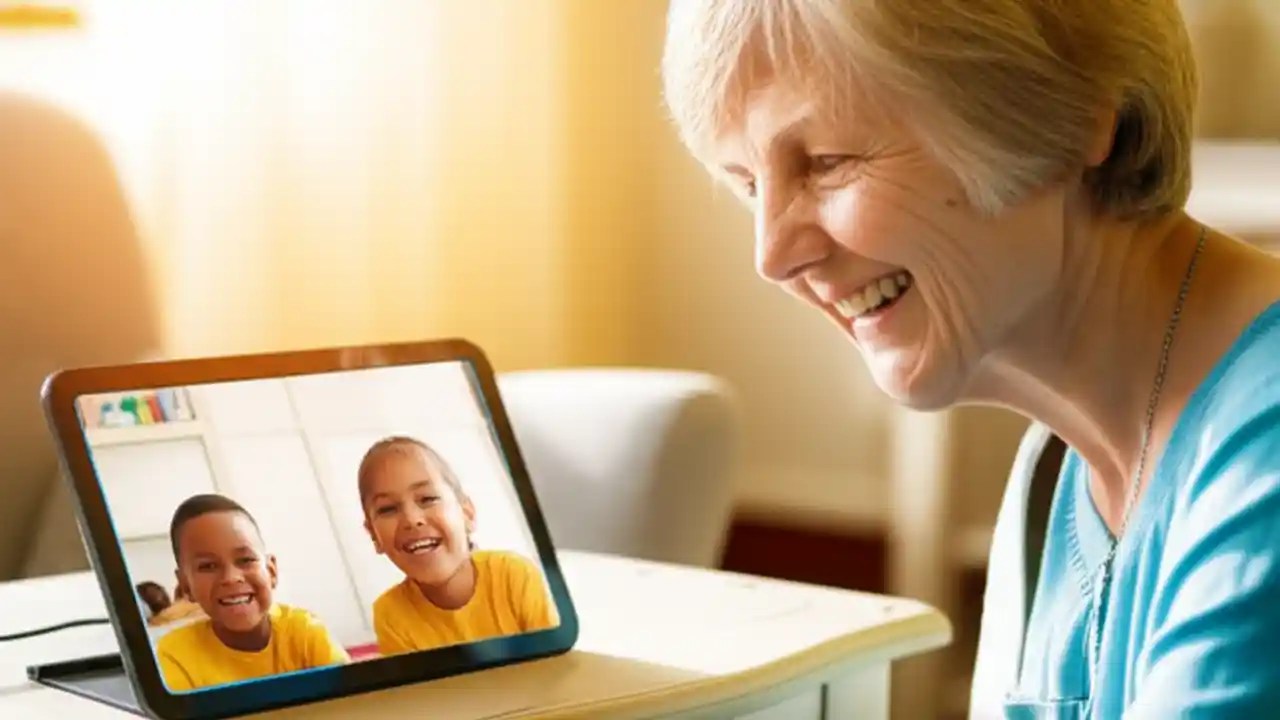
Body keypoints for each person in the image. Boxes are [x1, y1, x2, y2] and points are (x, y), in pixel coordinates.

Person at [661, 2, 1280, 718]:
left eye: (829, 162)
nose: (772, 255)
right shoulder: (1055, 470)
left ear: (1073, 115)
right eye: (746, 184)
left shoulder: (1262, 455)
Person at [358, 436, 557, 655]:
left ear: (467, 513)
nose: (412, 519)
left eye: (428, 498)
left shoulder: (514, 574)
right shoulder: (390, 613)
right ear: (374, 536)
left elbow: (556, 667)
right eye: (387, 509)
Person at [155, 494, 350, 691]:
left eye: (245, 560)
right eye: (208, 566)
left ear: (271, 571)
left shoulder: (305, 633)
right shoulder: (175, 654)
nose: (231, 577)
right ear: (186, 586)